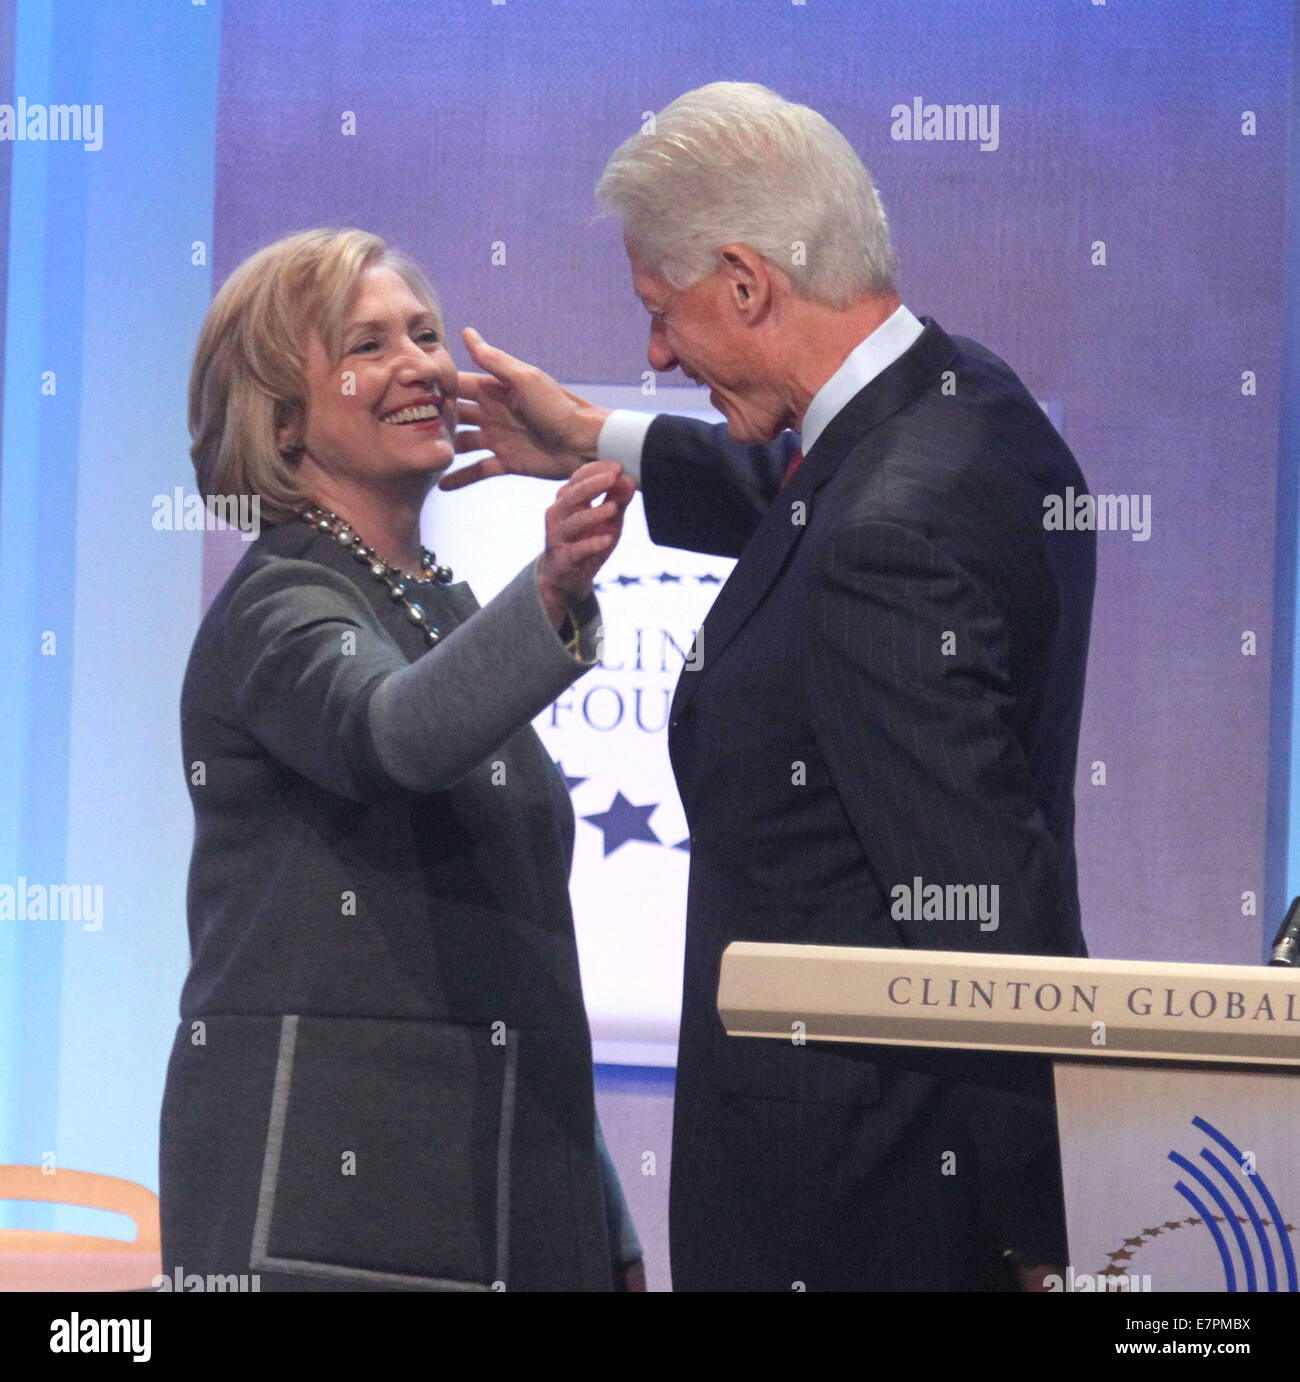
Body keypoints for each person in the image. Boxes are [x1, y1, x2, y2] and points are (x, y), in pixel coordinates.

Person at [441, 82, 1095, 1291]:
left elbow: (984, 911)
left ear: (746, 282)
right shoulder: (976, 413)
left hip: (857, 1213)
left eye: (659, 310)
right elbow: (811, 503)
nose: (652, 352)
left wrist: (1042, 1237)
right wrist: (595, 433)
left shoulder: (879, 536)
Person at [160, 227, 643, 1291]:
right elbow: (392, 735)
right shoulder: (281, 600)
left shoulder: (425, 604)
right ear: (281, 419)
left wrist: (598, 1212)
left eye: (425, 335)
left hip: (504, 1202)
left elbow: (520, 953)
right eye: (367, 344)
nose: (422, 364)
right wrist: (552, 592)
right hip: (332, 1219)